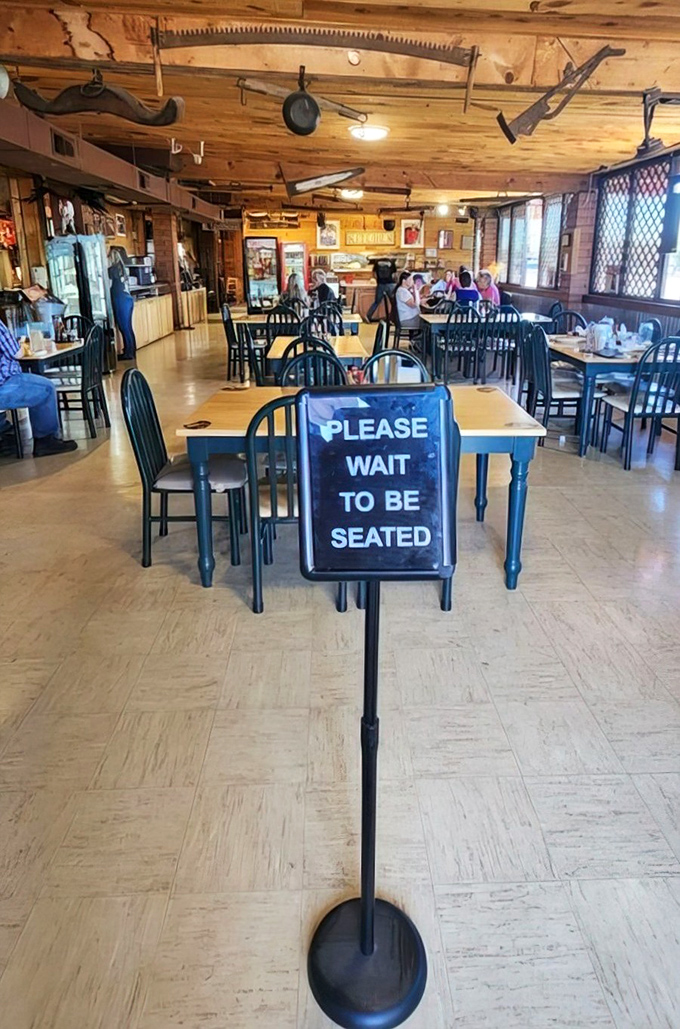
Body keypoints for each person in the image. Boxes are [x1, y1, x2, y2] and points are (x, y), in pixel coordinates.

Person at [0, 317, 77, 457]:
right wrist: (22, 346)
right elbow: (16, 353)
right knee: (46, 389)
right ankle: (46, 441)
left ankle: (4, 433)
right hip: (4, 386)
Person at [109, 253, 137, 361]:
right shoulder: (122, 269)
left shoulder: (112, 270)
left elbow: (108, 284)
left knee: (124, 327)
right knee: (128, 327)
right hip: (127, 298)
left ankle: (128, 353)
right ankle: (131, 351)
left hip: (120, 299)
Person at [366, 255, 397, 321]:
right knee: (393, 302)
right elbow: (394, 275)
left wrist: (378, 280)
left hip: (380, 284)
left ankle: (368, 316)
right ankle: (393, 318)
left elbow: (374, 274)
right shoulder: (391, 262)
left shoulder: (377, 262)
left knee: (376, 302)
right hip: (390, 284)